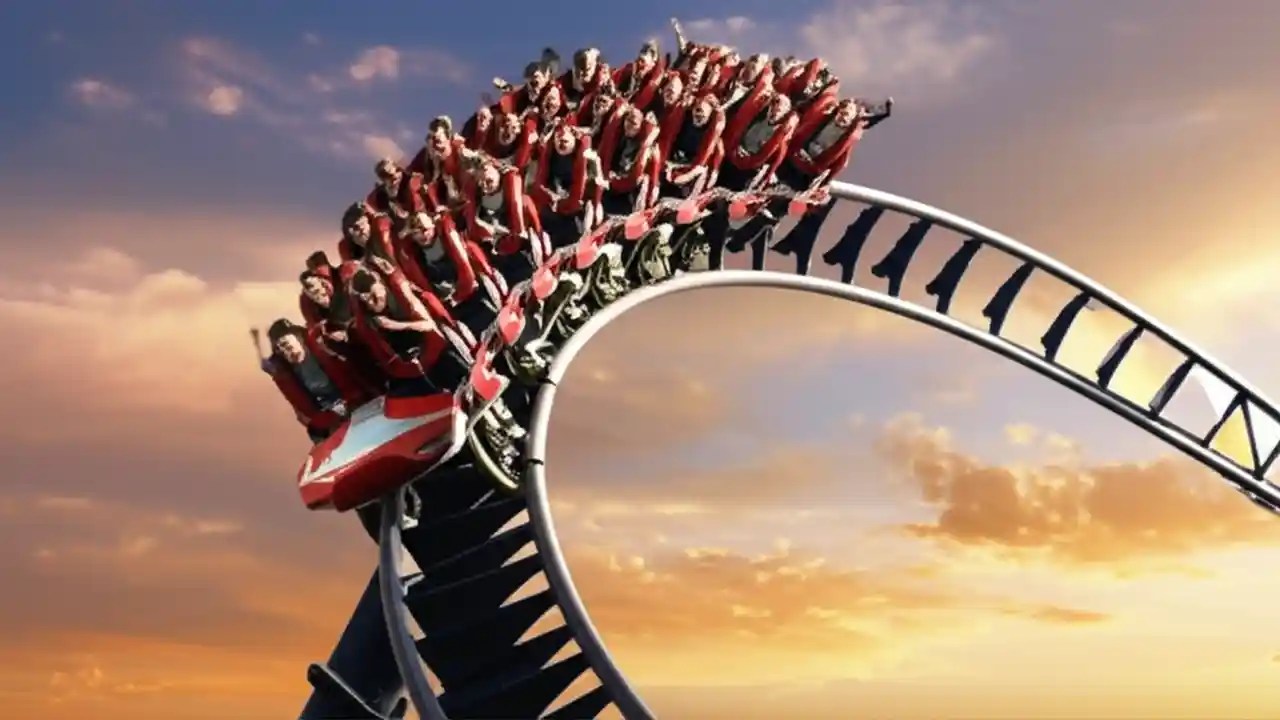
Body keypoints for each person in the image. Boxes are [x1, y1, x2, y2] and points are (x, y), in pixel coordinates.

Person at [348, 267, 467, 393]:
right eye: (367, 301)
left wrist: (396, 325)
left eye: (375, 297)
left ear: (382, 287)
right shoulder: (369, 320)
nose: (372, 304)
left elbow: (428, 325)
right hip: (415, 362)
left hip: (435, 346)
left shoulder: (401, 296)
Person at [261, 319, 375, 442]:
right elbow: (305, 410)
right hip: (330, 415)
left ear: (298, 337)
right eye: (280, 350)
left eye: (286, 344)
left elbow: (354, 374)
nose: (285, 351)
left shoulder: (322, 346)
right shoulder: (288, 374)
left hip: (357, 400)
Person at [461, 160, 549, 279]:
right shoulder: (476, 199)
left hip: (522, 236)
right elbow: (475, 229)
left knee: (525, 201)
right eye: (481, 184)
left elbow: (518, 224)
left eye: (488, 181)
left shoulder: (510, 182)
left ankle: (542, 247)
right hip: (498, 246)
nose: (485, 187)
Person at [529, 121, 604, 241]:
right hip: (556, 193)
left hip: (581, 197)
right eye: (558, 141)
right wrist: (552, 195)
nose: (561, 144)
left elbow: (595, 181)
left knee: (593, 188)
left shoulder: (586, 156)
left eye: (565, 141)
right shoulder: (550, 152)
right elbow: (540, 181)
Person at [717, 90, 798, 192]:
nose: (775, 110)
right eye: (774, 105)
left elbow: (770, 164)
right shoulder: (757, 119)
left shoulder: (779, 140)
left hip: (748, 171)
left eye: (780, 109)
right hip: (734, 157)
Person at [656, 92, 726, 198]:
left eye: (703, 113)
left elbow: (702, 164)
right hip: (673, 161)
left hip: (692, 168)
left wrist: (689, 175)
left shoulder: (711, 137)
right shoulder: (683, 122)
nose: (699, 115)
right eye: (697, 110)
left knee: (701, 173)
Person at [597, 104, 661, 214]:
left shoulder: (647, 149)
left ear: (640, 126)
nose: (629, 125)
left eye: (634, 123)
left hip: (629, 190)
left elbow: (644, 177)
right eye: (628, 120)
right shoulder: (617, 136)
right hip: (609, 182)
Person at [407, 116, 480, 210]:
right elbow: (411, 171)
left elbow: (475, 156)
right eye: (434, 139)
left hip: (468, 184)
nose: (436, 144)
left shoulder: (459, 146)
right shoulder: (430, 155)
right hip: (449, 195)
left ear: (448, 136)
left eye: (438, 138)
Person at [612, 41, 664, 111]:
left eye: (642, 62)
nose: (640, 64)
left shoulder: (653, 83)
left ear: (653, 63)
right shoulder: (629, 73)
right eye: (643, 50)